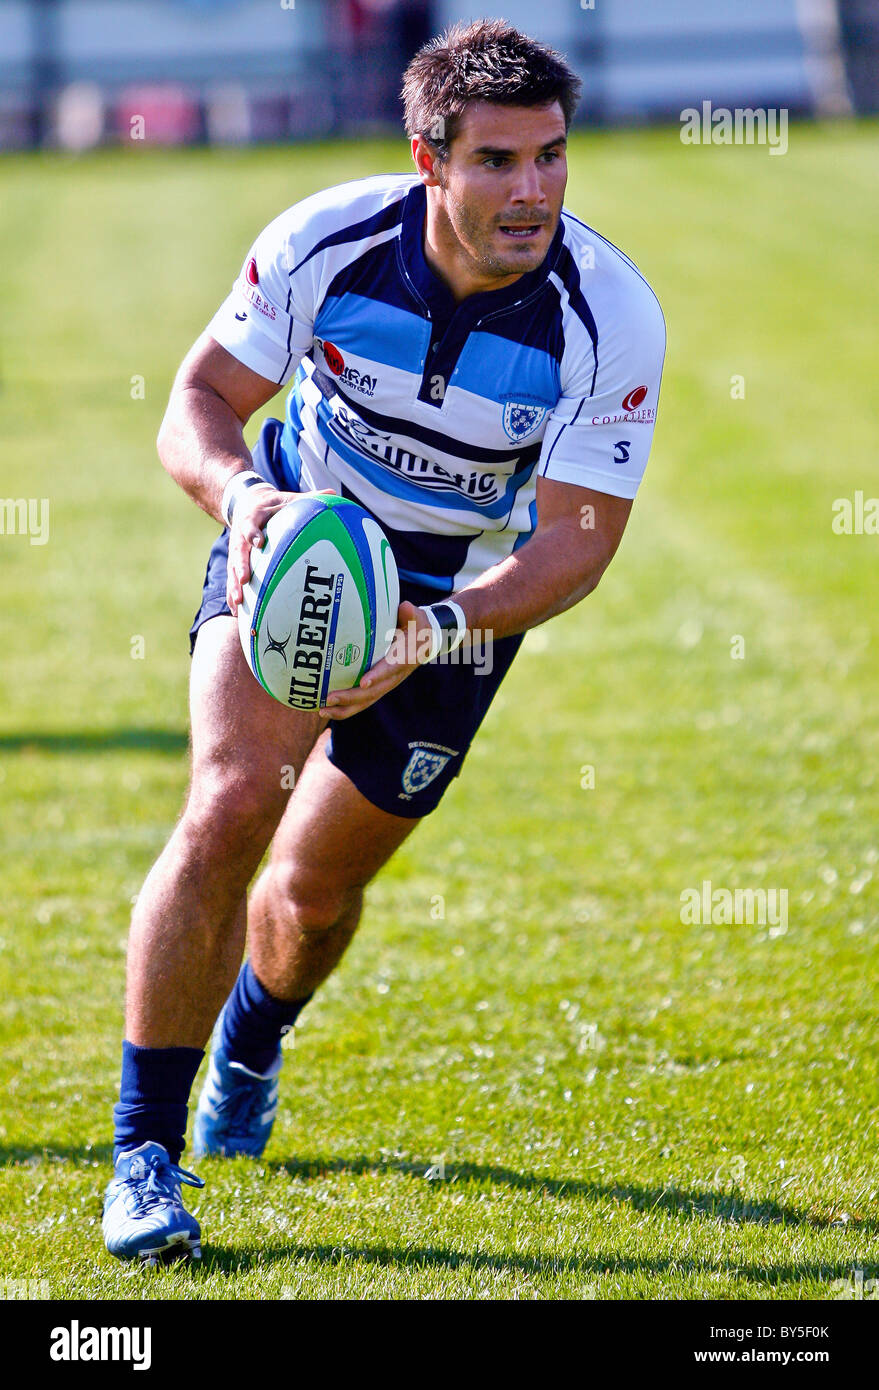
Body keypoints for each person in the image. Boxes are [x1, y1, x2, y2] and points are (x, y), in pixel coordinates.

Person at [102, 18, 666, 1264]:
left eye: (553, 158)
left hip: (460, 602)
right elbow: (198, 402)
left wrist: (442, 627)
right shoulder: (325, 241)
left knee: (312, 892)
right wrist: (249, 500)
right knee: (233, 798)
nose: (534, 192)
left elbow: (578, 539)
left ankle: (250, 1044)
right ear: (431, 158)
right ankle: (144, 1155)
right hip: (301, 541)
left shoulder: (608, 314)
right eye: (500, 162)